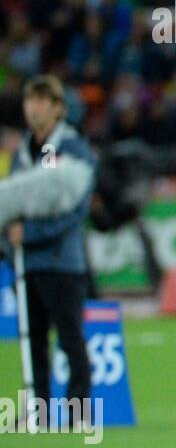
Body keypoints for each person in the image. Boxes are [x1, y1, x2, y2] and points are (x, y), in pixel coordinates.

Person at [5, 76, 98, 430]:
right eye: (30, 101)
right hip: (26, 263)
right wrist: (9, 240)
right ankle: (38, 411)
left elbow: (75, 208)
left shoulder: (71, 148)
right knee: (32, 340)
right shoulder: (23, 150)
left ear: (58, 108)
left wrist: (30, 234)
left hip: (62, 262)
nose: (33, 108)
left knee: (70, 339)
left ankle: (78, 413)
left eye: (41, 101)